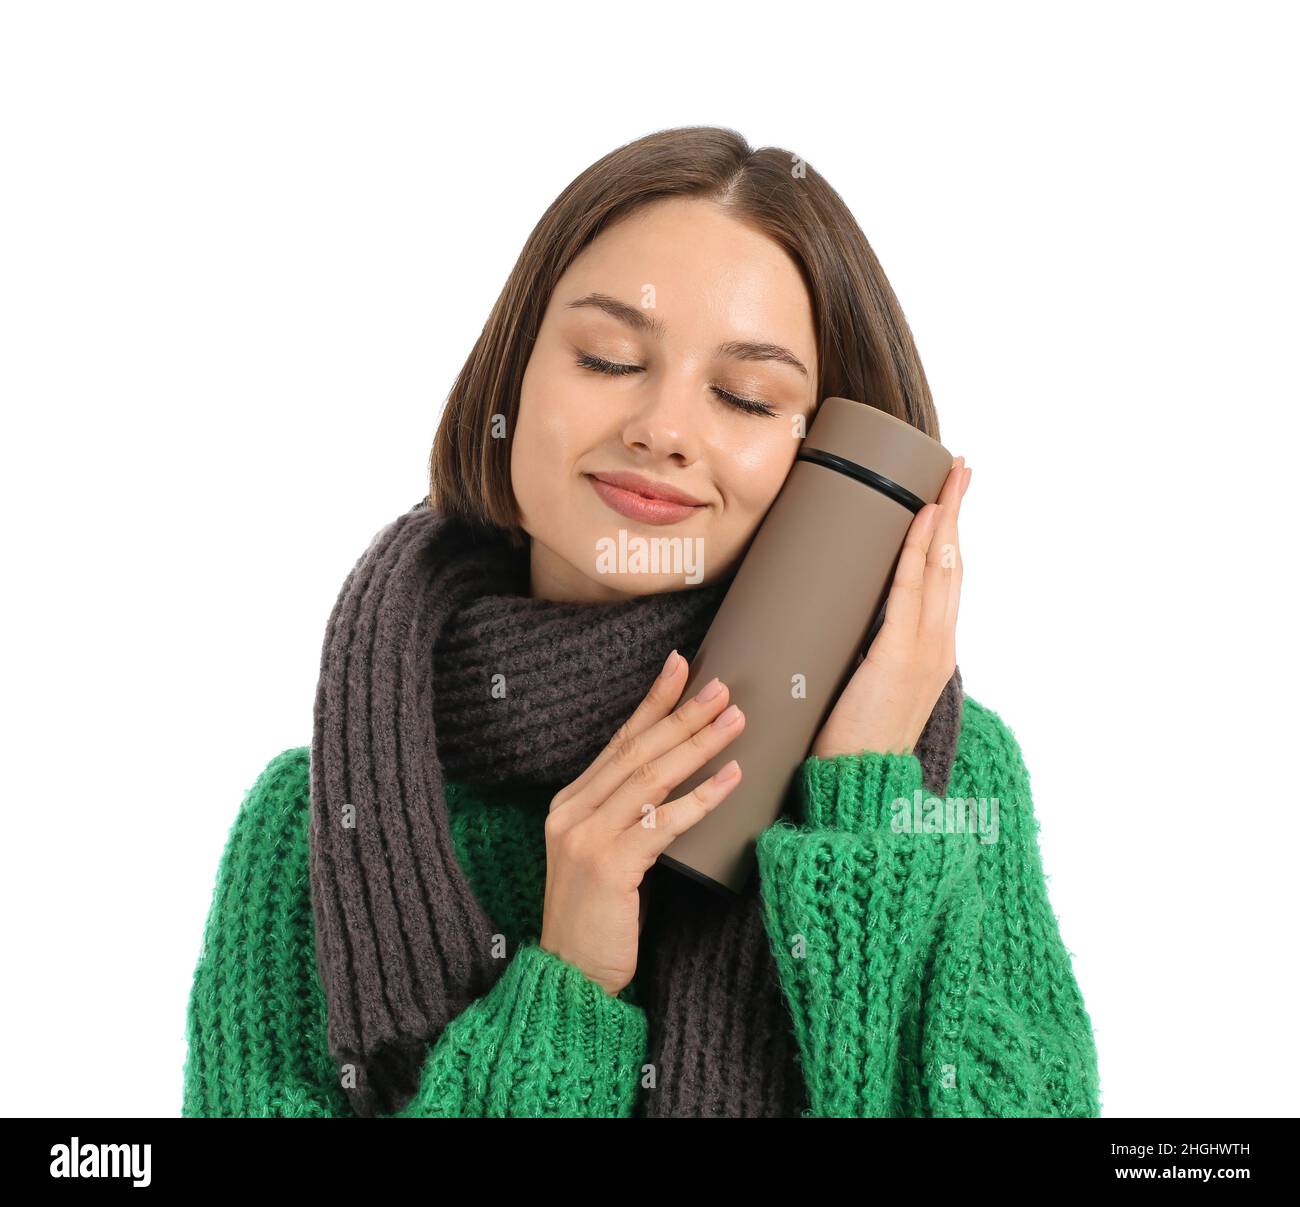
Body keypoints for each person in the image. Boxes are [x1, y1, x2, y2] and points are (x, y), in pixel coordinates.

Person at [182, 125, 1101, 1118]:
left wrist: (858, 818)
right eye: (610, 358)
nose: (662, 429)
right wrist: (567, 985)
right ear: (512, 379)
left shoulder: (947, 775)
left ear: (833, 459)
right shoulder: (311, 823)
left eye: (746, 398)